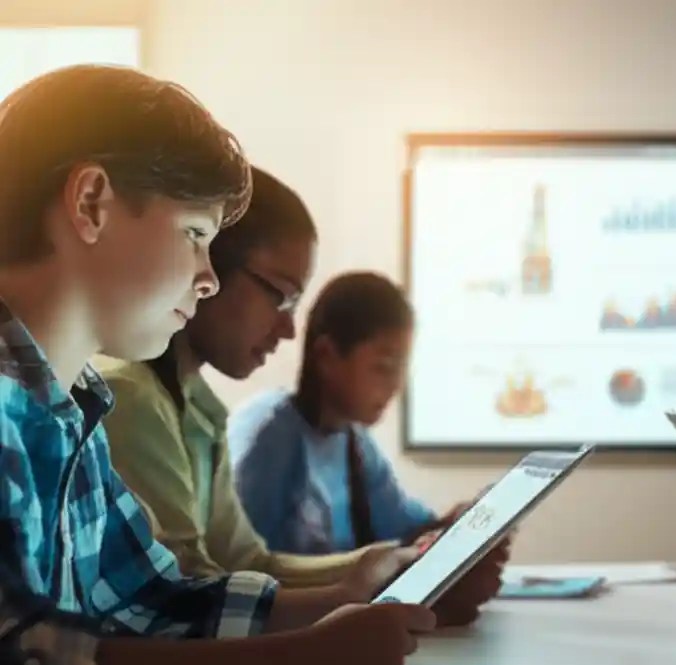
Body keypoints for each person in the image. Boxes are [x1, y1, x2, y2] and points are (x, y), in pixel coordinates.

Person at [0, 66, 432, 665]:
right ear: (90, 203)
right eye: (197, 235)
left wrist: (348, 605)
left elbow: (151, 599)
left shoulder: (71, 403)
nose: (208, 280)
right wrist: (306, 661)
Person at [99, 169, 502, 628]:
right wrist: (351, 596)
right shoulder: (129, 396)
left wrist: (386, 564)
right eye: (280, 296)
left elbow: (251, 562)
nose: (290, 329)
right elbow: (184, 589)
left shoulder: (200, 408)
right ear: (207, 269)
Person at [229, 272, 498, 588]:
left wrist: (461, 523)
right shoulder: (269, 440)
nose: (395, 386)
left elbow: (404, 527)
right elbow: (245, 570)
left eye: (401, 370)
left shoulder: (354, 443)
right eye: (384, 368)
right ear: (327, 356)